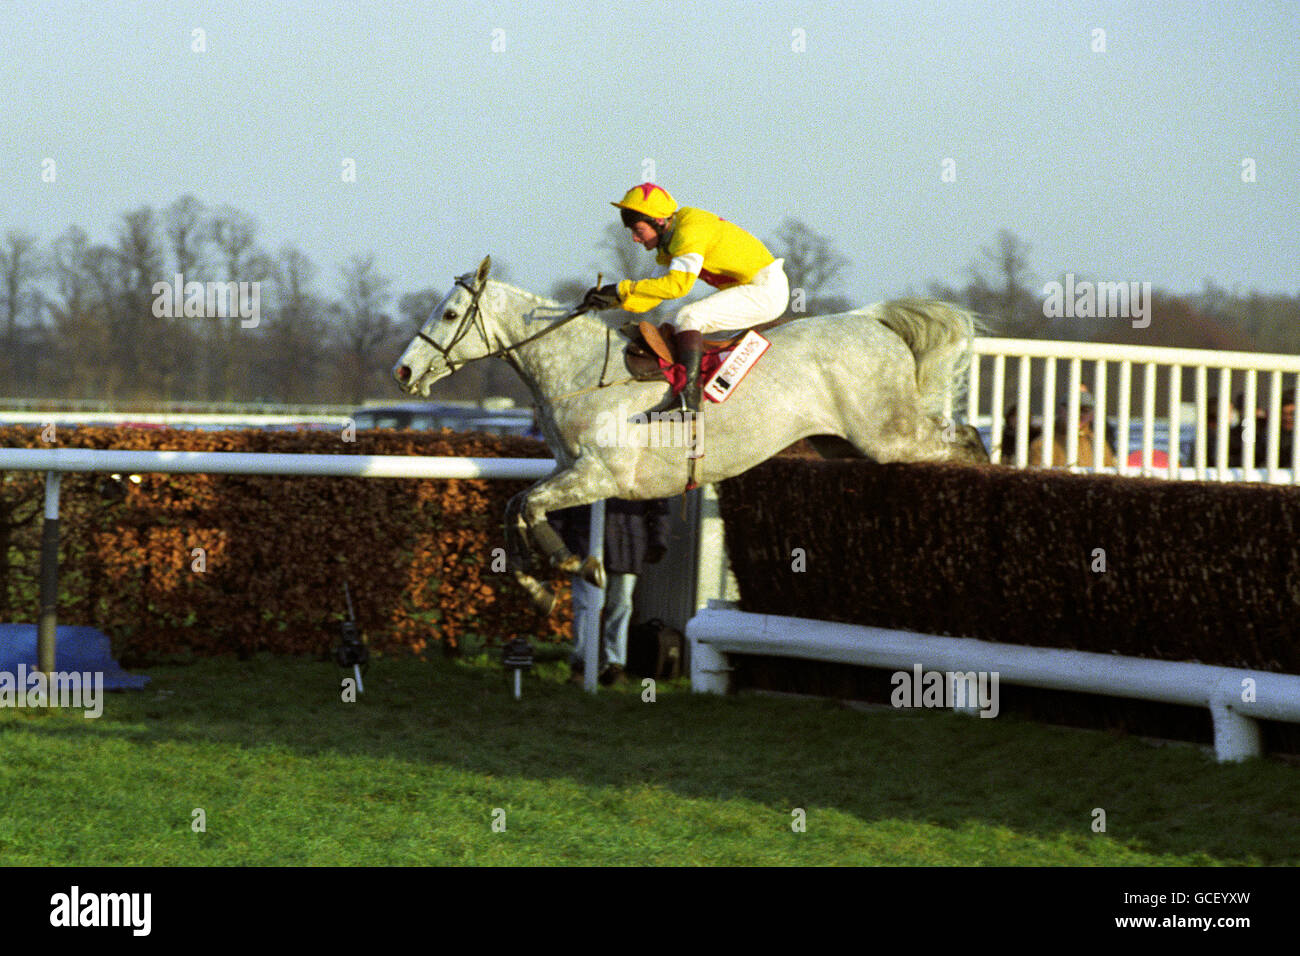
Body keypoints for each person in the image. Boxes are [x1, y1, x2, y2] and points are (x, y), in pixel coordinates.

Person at [581, 183, 789, 417]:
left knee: (688, 316)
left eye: (638, 230)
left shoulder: (689, 231)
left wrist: (620, 289)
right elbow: (653, 297)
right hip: (752, 288)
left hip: (766, 291)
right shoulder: (672, 239)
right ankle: (677, 388)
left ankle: (690, 396)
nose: (635, 239)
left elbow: (677, 286)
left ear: (658, 221)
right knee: (669, 322)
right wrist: (610, 302)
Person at [549, 497, 672, 687]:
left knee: (620, 607)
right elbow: (561, 499)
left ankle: (613, 667)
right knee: (587, 606)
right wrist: (556, 546)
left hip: (627, 546)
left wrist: (658, 540)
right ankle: (582, 666)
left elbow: (657, 502)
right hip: (585, 544)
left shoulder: (637, 467)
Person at [1028, 391, 1116, 468]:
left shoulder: (1099, 444)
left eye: (1084, 411)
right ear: (1060, 410)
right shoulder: (1042, 444)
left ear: (1092, 415)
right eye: (1072, 409)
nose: (1077, 415)